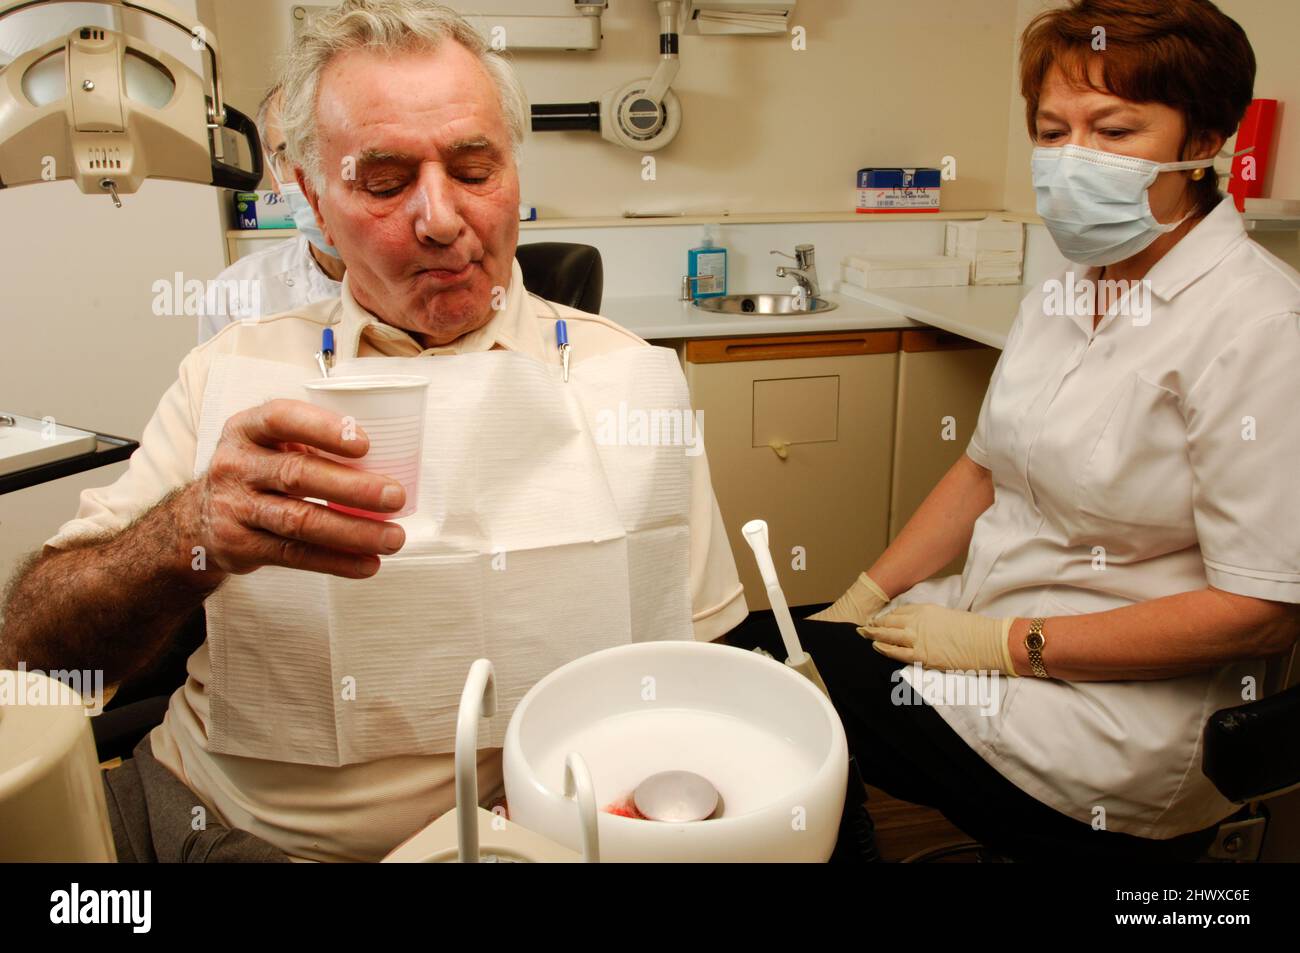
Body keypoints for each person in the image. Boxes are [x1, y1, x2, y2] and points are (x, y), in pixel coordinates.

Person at [0, 0, 746, 863]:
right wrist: (187, 532)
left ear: (514, 172)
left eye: (474, 168)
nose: (439, 217)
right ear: (314, 196)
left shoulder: (632, 384)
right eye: (385, 183)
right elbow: (34, 659)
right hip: (221, 823)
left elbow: (705, 680)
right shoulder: (232, 376)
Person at [768, 0, 1299, 861]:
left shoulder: (1262, 327)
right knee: (774, 648)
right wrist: (864, 595)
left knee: (785, 697)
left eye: (1115, 130)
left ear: (1205, 140)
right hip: (984, 632)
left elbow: (1261, 611)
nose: (1071, 159)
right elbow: (984, 468)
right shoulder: (1067, 281)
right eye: (1052, 131)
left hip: (1110, 727)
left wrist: (1008, 646)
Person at [197, 84, 347, 344]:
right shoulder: (235, 296)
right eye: (292, 154)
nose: (313, 177)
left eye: (327, 149)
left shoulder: (429, 279)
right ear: (274, 177)